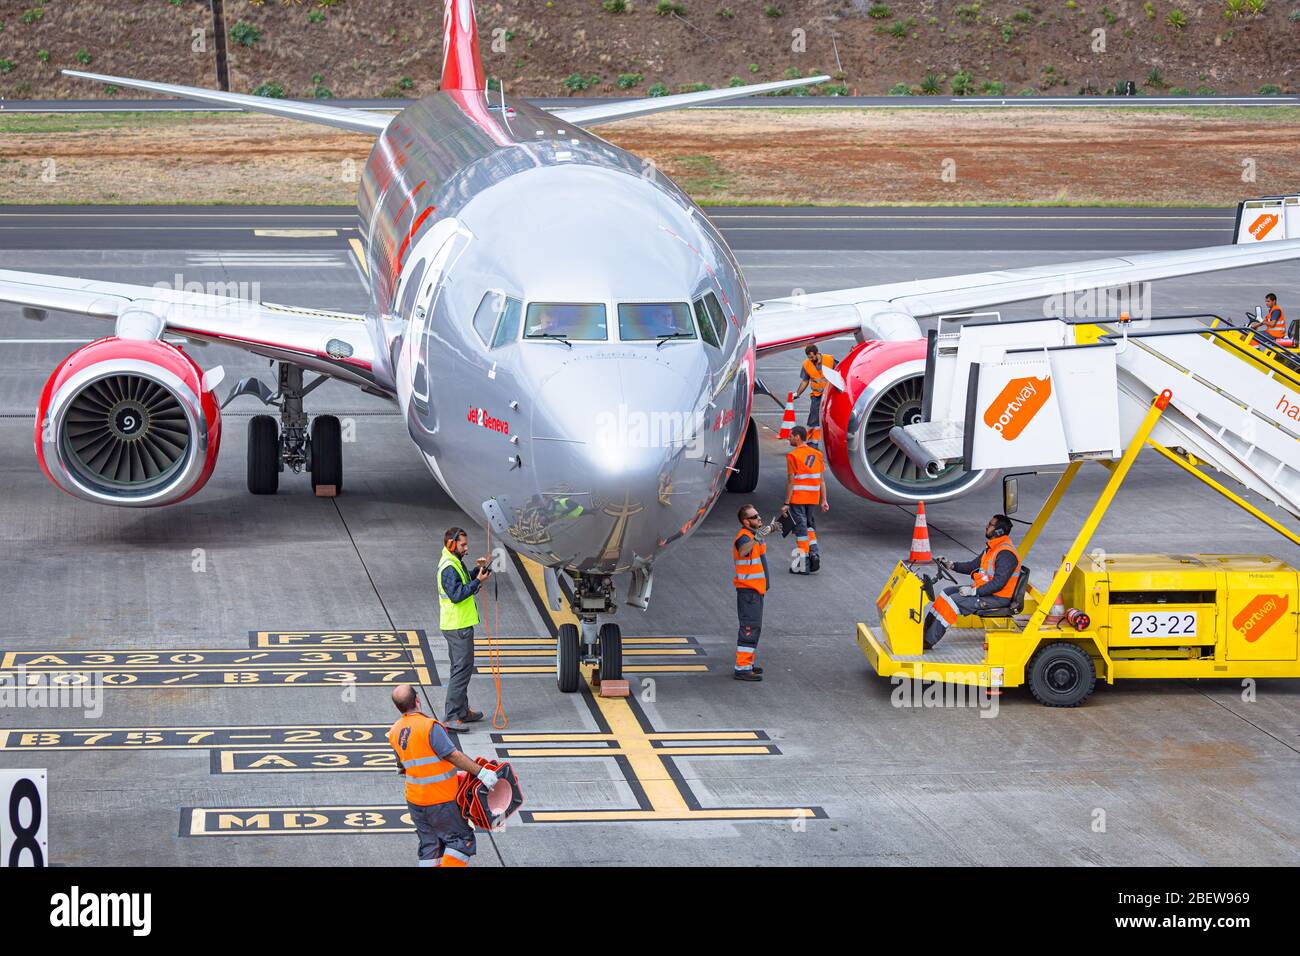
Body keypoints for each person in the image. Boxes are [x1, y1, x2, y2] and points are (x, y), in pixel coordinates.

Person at [387, 684, 499, 867]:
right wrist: (481, 772)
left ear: (397, 707)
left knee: (431, 846)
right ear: (417, 700)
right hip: (441, 800)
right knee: (461, 840)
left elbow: (401, 766)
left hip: (415, 802)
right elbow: (452, 755)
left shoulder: (394, 731)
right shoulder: (429, 727)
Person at [922, 514, 1022, 650]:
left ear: (999, 531)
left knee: (954, 601)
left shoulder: (1006, 554)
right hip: (985, 591)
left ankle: (928, 641)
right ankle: (923, 633)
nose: (987, 526)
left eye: (991, 525)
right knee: (947, 593)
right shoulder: (992, 548)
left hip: (998, 598)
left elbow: (999, 583)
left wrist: (974, 591)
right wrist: (951, 565)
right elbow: (972, 566)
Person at [438, 526, 491, 731]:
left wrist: (475, 574)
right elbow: (457, 594)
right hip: (457, 626)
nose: (466, 548)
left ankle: (461, 711)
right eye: (463, 544)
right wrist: (478, 581)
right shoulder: (449, 566)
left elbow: (461, 582)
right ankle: (452, 716)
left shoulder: (453, 562)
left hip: (457, 625)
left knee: (460, 669)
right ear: (451, 544)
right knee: (461, 671)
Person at [733, 503, 775, 682]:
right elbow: (743, 550)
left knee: (754, 627)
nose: (759, 518)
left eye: (758, 515)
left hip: (755, 591)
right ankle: (742, 668)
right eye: (755, 517)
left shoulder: (752, 535)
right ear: (746, 521)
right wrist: (758, 537)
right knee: (749, 628)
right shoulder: (744, 538)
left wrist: (769, 529)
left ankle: (747, 665)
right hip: (748, 592)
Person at [783, 426, 829, 574]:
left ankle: (802, 566)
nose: (788, 438)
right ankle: (814, 553)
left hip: (798, 498)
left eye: (790, 435)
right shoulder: (817, 454)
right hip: (812, 498)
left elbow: (791, 481)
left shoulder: (793, 456)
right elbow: (822, 480)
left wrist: (786, 503)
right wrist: (824, 500)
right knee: (809, 527)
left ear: (797, 437)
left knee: (800, 531)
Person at [793, 344, 835, 445]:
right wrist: (797, 394)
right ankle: (812, 443)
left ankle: (832, 440)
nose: (811, 359)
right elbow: (804, 381)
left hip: (830, 394)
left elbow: (839, 373)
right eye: (809, 357)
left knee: (832, 418)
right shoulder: (807, 364)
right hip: (816, 396)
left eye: (812, 357)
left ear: (817, 354)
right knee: (813, 419)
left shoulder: (829, 360)